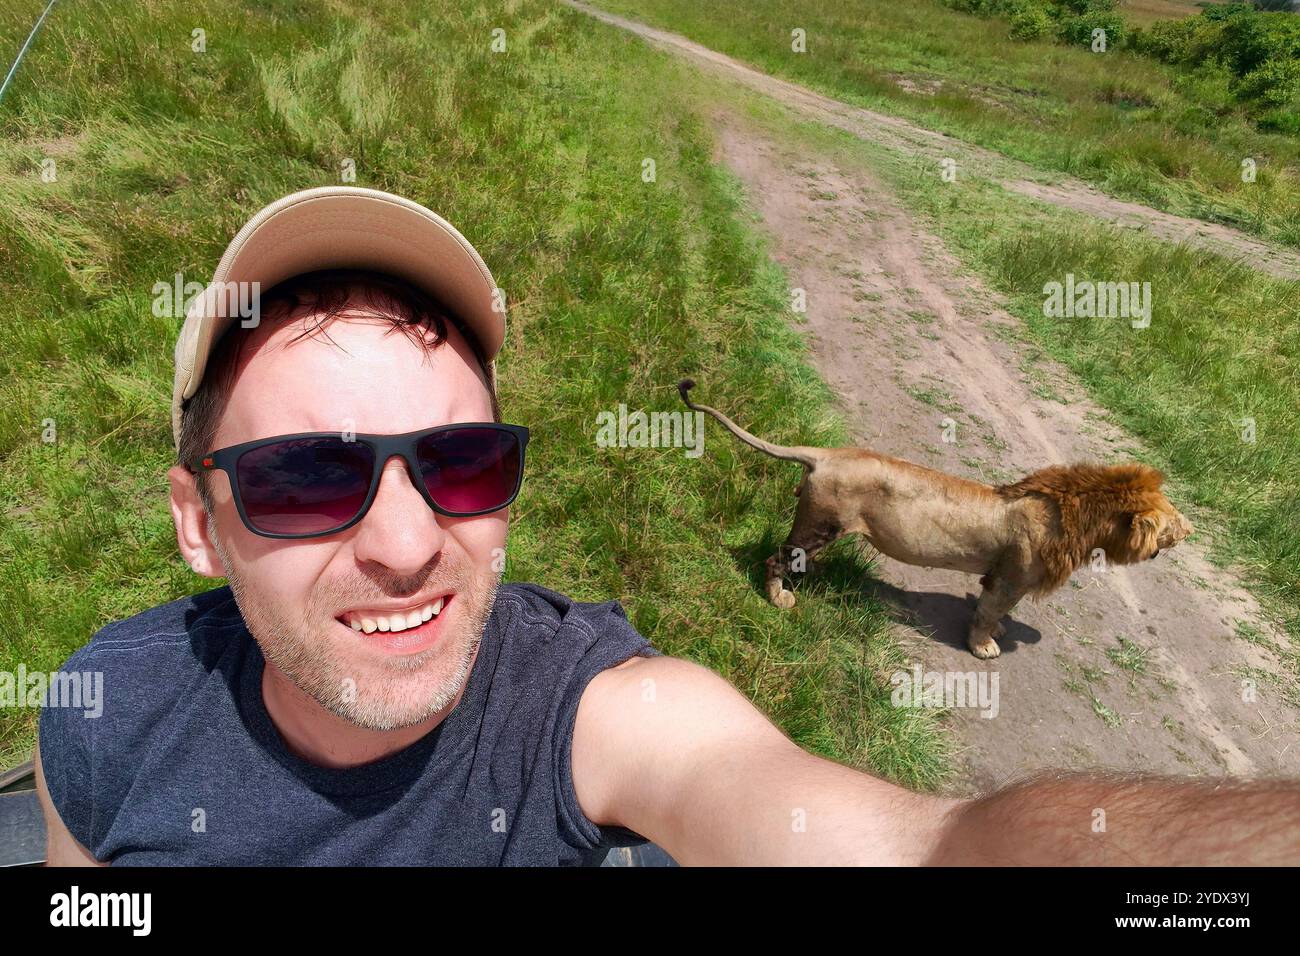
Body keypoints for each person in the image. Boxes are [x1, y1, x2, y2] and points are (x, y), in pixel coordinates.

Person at [35, 187, 1300, 866]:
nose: (409, 543)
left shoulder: (599, 716)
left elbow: (929, 850)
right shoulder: (103, 709)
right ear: (197, 522)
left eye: (465, 461)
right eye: (309, 477)